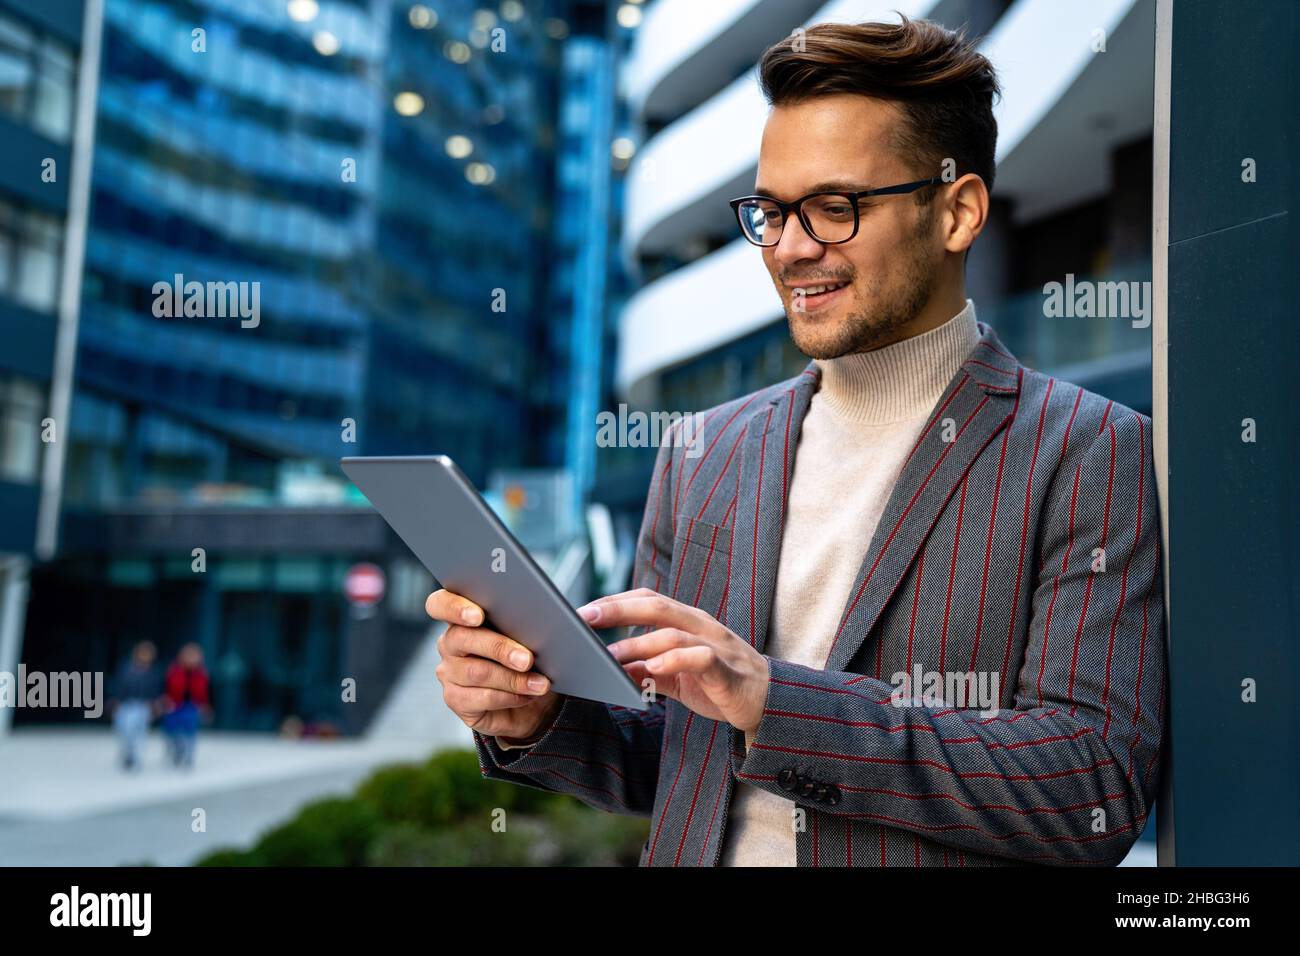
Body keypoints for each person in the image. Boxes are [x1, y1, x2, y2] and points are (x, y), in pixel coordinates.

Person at [429, 16, 1166, 867]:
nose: (790, 248)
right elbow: (681, 759)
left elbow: (1093, 787)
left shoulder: (1088, 449)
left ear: (958, 211)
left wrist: (775, 700)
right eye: (772, 212)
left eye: (834, 207)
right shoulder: (703, 448)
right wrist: (538, 719)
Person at [109, 641, 163, 771]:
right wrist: (115, 702)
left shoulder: (153, 673)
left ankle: (135, 758)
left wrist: (155, 706)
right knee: (125, 731)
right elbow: (118, 687)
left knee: (139, 734)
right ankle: (127, 753)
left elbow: (155, 692)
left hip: (142, 707)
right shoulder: (126, 669)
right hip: (126, 705)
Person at [161, 643, 211, 768]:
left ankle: (188, 756)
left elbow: (206, 692)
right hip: (175, 705)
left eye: (194, 656)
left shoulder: (202, 674)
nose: (192, 659)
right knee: (172, 731)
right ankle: (177, 751)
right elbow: (165, 688)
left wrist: (205, 706)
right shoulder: (173, 671)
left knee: (189, 732)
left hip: (191, 706)